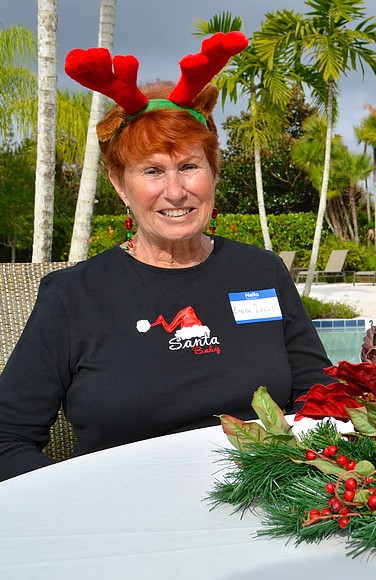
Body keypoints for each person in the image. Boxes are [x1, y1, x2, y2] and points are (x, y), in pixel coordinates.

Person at [0, 33, 333, 482]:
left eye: (189, 166)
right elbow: (7, 439)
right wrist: (78, 507)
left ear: (213, 172)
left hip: (265, 499)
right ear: (121, 184)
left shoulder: (261, 271)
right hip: (125, 515)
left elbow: (320, 394)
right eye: (152, 171)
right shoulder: (72, 296)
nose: (175, 191)